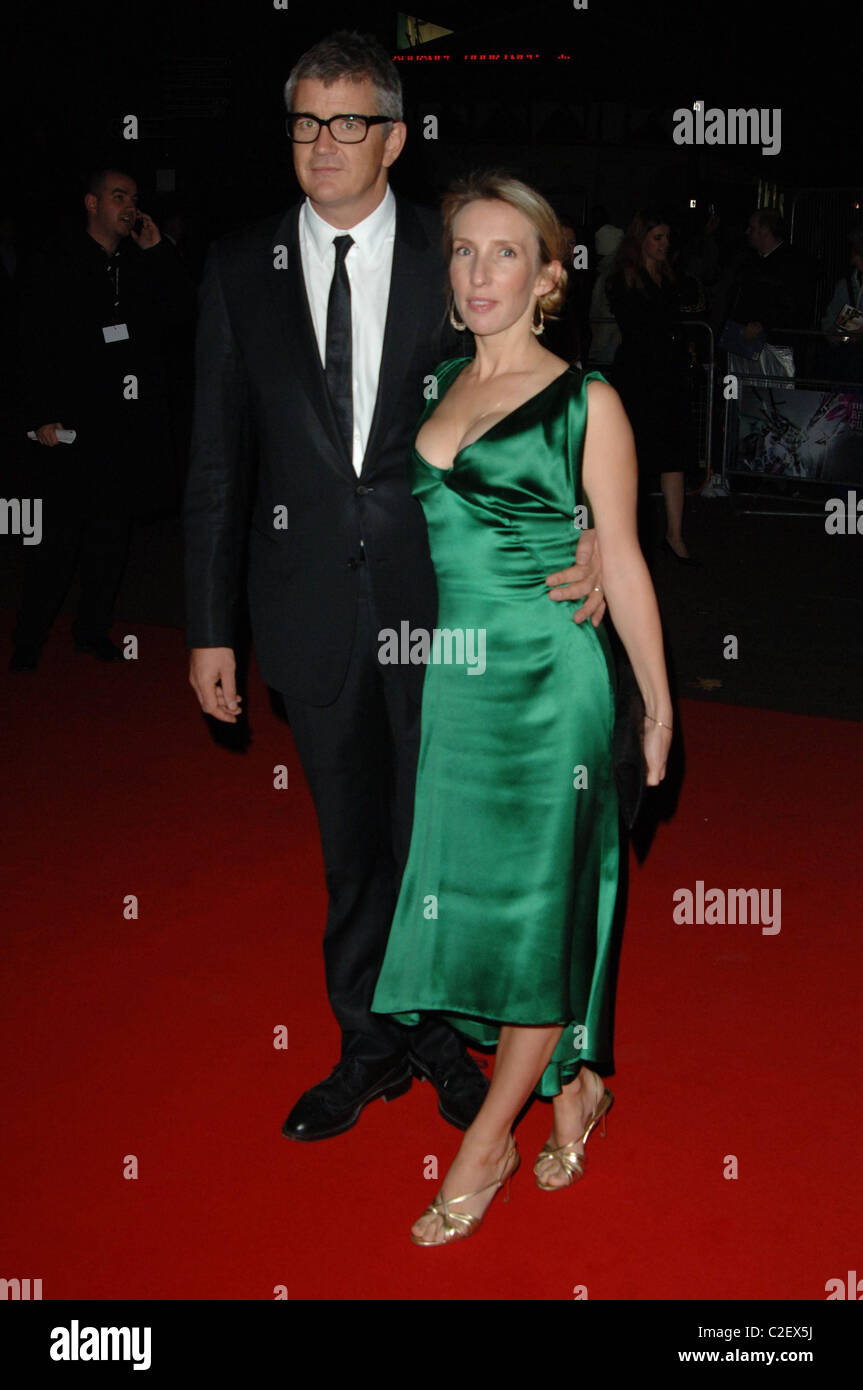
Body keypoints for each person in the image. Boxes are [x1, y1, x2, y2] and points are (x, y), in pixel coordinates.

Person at [183, 31, 607, 1146]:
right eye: (305, 122)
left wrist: (594, 527)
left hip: (448, 615)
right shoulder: (239, 266)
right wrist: (206, 627)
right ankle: (366, 1046)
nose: (322, 144)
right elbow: (217, 461)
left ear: (393, 138)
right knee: (349, 845)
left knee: (437, 840)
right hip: (308, 607)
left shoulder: (448, 254)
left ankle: (438, 1043)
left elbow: (542, 392)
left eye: (347, 122)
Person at [370, 173, 673, 1246]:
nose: (477, 270)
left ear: (548, 276)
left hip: (553, 692)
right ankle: (579, 1085)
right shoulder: (435, 382)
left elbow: (624, 559)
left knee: (538, 920)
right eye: (461, 251)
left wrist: (657, 709)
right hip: (459, 690)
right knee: (481, 910)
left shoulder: (589, 400)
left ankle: (486, 1141)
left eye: (504, 252)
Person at [9, 168, 193, 671]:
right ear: (92, 203)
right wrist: (41, 413)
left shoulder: (138, 262)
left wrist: (159, 250)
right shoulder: (55, 261)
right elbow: (31, 340)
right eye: (119, 197)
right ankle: (29, 640)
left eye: (133, 197)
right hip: (70, 429)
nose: (130, 206)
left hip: (124, 429)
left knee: (111, 541)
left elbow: (180, 315)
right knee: (56, 543)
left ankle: (91, 631)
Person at [606, 209, 695, 562]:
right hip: (640, 378)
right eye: (657, 238)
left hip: (670, 376)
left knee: (674, 457)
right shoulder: (624, 279)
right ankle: (631, 538)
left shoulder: (670, 278)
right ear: (640, 239)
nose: (664, 245)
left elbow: (676, 321)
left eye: (667, 238)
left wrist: (683, 344)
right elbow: (638, 328)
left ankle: (674, 536)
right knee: (637, 458)